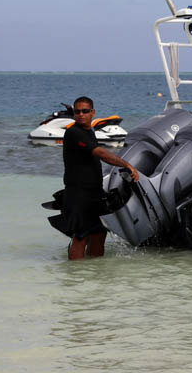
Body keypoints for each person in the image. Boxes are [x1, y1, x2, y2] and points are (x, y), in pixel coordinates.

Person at [62, 96, 140, 260]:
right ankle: (76, 275)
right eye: (77, 112)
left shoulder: (89, 132)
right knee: (81, 235)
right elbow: (100, 153)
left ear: (93, 112)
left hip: (94, 191)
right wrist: (126, 165)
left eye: (85, 111)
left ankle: (95, 272)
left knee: (99, 232)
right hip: (78, 193)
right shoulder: (74, 133)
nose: (81, 115)